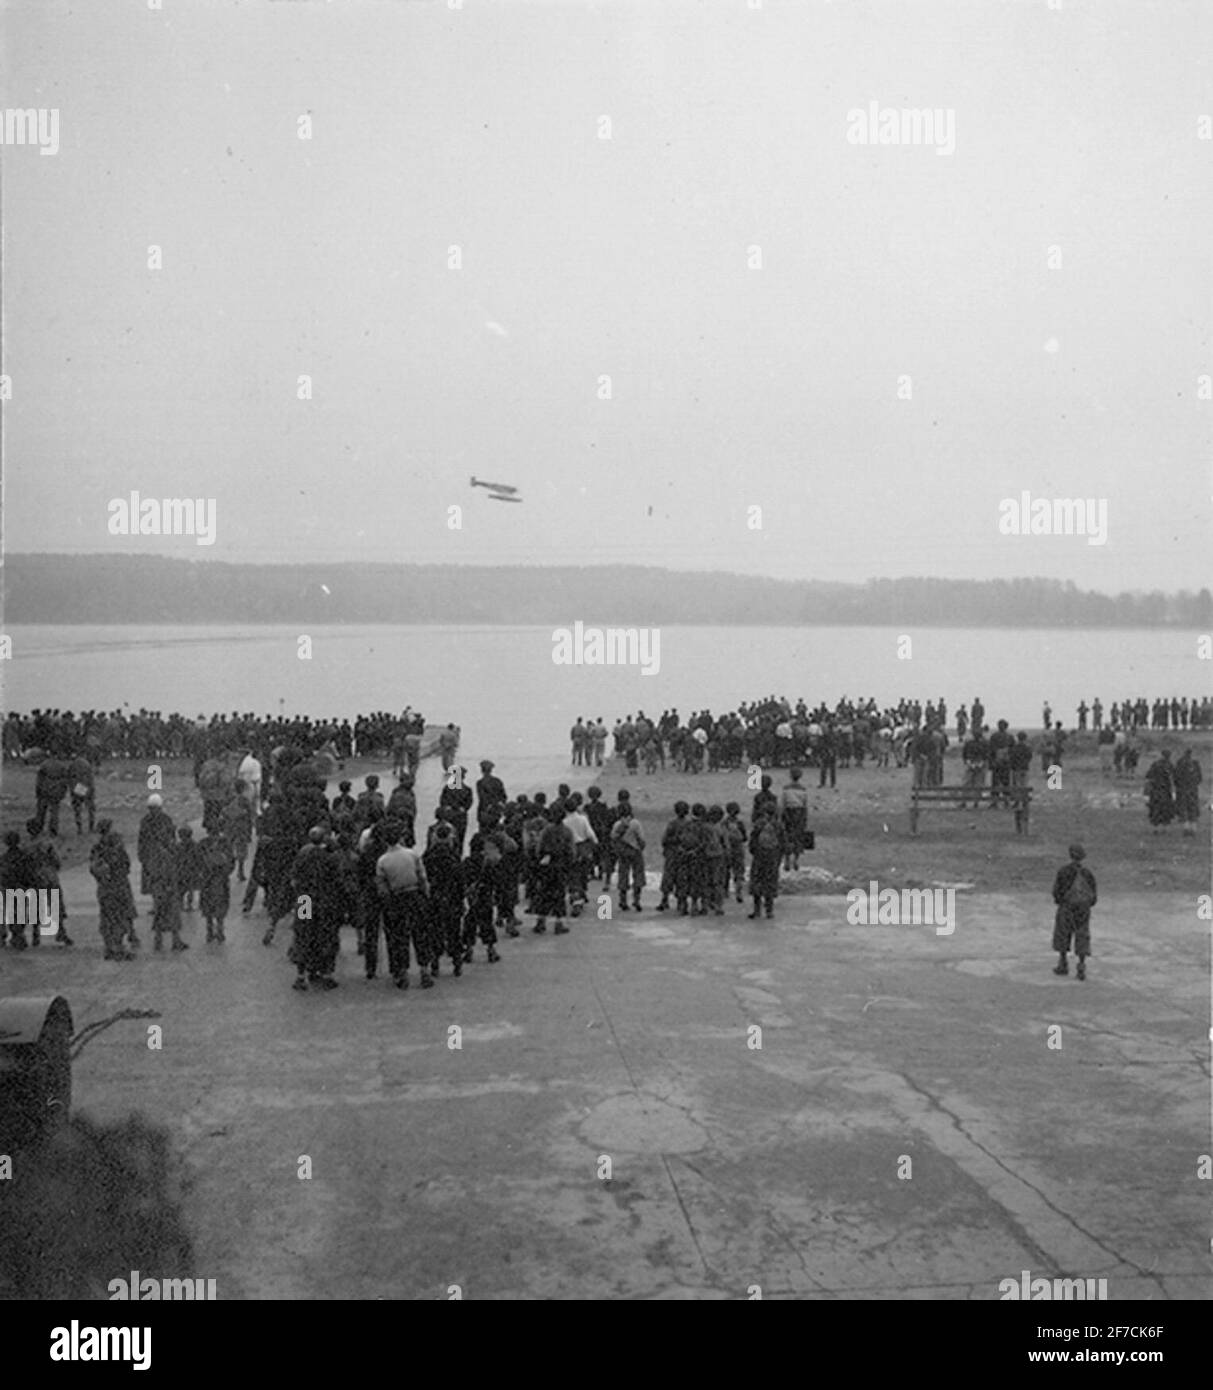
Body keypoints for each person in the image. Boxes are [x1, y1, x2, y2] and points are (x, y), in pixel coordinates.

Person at [376, 820, 433, 988]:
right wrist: (425, 896)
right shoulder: (412, 854)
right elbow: (422, 878)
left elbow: (382, 888)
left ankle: (402, 972)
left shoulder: (382, 861)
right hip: (414, 895)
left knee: (399, 936)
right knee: (420, 934)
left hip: (396, 899)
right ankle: (424, 970)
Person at [89, 820, 138, 961]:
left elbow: (93, 868)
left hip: (104, 888)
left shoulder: (97, 849)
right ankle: (118, 947)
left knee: (107, 918)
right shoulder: (118, 851)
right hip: (119, 887)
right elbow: (126, 867)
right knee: (120, 916)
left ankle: (110, 947)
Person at [423, 823, 466, 976]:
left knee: (434, 930)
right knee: (454, 931)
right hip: (452, 898)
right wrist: (462, 899)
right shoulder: (454, 857)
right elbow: (461, 881)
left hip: (434, 898)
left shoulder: (428, 856)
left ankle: (435, 963)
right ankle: (457, 962)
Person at [1051, 844, 1096, 980]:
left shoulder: (1063, 871)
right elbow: (1094, 895)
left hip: (1066, 906)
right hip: (1083, 908)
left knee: (1063, 933)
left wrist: (1060, 901)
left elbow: (1056, 892)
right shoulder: (1087, 873)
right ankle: (1081, 966)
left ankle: (1063, 963)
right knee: (1082, 934)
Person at [26, 818, 72, 946]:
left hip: (35, 878)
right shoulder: (47, 844)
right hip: (50, 876)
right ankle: (61, 931)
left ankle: (36, 934)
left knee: (36, 906)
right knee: (56, 904)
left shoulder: (27, 847)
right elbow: (57, 861)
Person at [199, 827, 235, 943]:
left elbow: (197, 860)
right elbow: (231, 861)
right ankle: (218, 930)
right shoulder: (225, 843)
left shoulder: (204, 843)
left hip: (210, 879)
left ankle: (211, 931)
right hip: (218, 879)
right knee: (219, 905)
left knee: (210, 905)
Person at [748, 809, 783, 920]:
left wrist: (755, 852)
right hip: (772, 857)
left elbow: (752, 842)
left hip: (759, 857)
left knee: (757, 881)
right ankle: (769, 911)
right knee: (770, 883)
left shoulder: (759, 824)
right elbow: (782, 842)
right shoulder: (778, 826)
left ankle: (757, 910)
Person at [611, 799, 646, 913]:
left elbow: (613, 837)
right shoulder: (635, 823)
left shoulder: (617, 824)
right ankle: (636, 899)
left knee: (623, 875)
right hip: (635, 852)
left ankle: (623, 900)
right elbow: (641, 839)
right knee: (638, 875)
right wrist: (641, 847)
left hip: (623, 852)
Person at [779, 767, 809, 871]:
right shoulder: (803, 790)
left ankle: (786, 860)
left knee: (787, 835)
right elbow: (805, 804)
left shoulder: (786, 789)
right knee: (798, 837)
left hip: (788, 813)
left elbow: (783, 803)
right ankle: (796, 860)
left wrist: (781, 816)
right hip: (799, 813)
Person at [1172, 748, 1202, 836]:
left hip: (1182, 790)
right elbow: (1200, 778)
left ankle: (1186, 828)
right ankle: (1193, 829)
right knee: (1193, 808)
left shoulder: (1180, 763)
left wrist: (1179, 786)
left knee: (1183, 808)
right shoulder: (1195, 764)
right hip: (1193, 790)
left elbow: (1176, 777)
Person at [1144, 749, 1175, 832]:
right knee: (1166, 810)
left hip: (1155, 790)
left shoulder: (1155, 764)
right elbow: (1173, 779)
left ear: (1162, 755)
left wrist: (1146, 792)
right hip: (1166, 791)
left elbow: (1148, 777)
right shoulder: (1170, 765)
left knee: (1155, 809)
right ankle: (1165, 828)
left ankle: (1155, 828)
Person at [723, 802, 748, 904]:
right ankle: (739, 893)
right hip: (738, 849)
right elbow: (745, 837)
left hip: (727, 850)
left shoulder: (724, 823)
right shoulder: (740, 823)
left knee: (725, 871)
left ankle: (725, 892)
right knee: (738, 872)